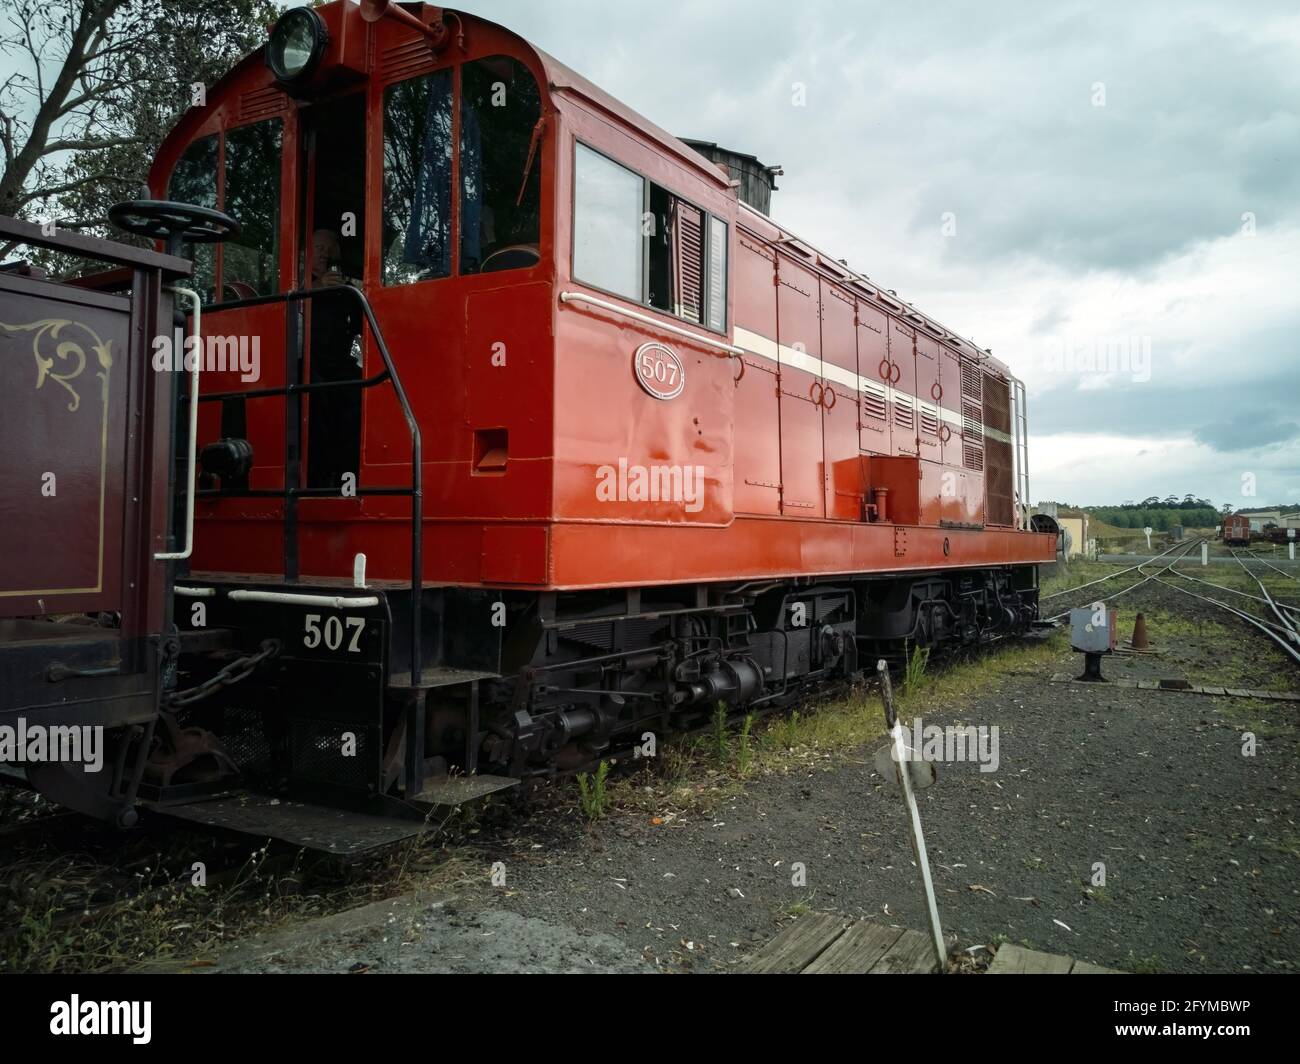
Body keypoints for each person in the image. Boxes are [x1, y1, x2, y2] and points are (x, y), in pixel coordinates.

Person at [306, 228, 362, 490]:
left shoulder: (346, 291)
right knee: (316, 398)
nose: (323, 255)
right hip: (307, 360)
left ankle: (348, 473)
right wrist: (316, 288)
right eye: (318, 249)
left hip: (339, 363)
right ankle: (317, 477)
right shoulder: (298, 284)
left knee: (360, 394)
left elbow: (364, 326)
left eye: (329, 250)